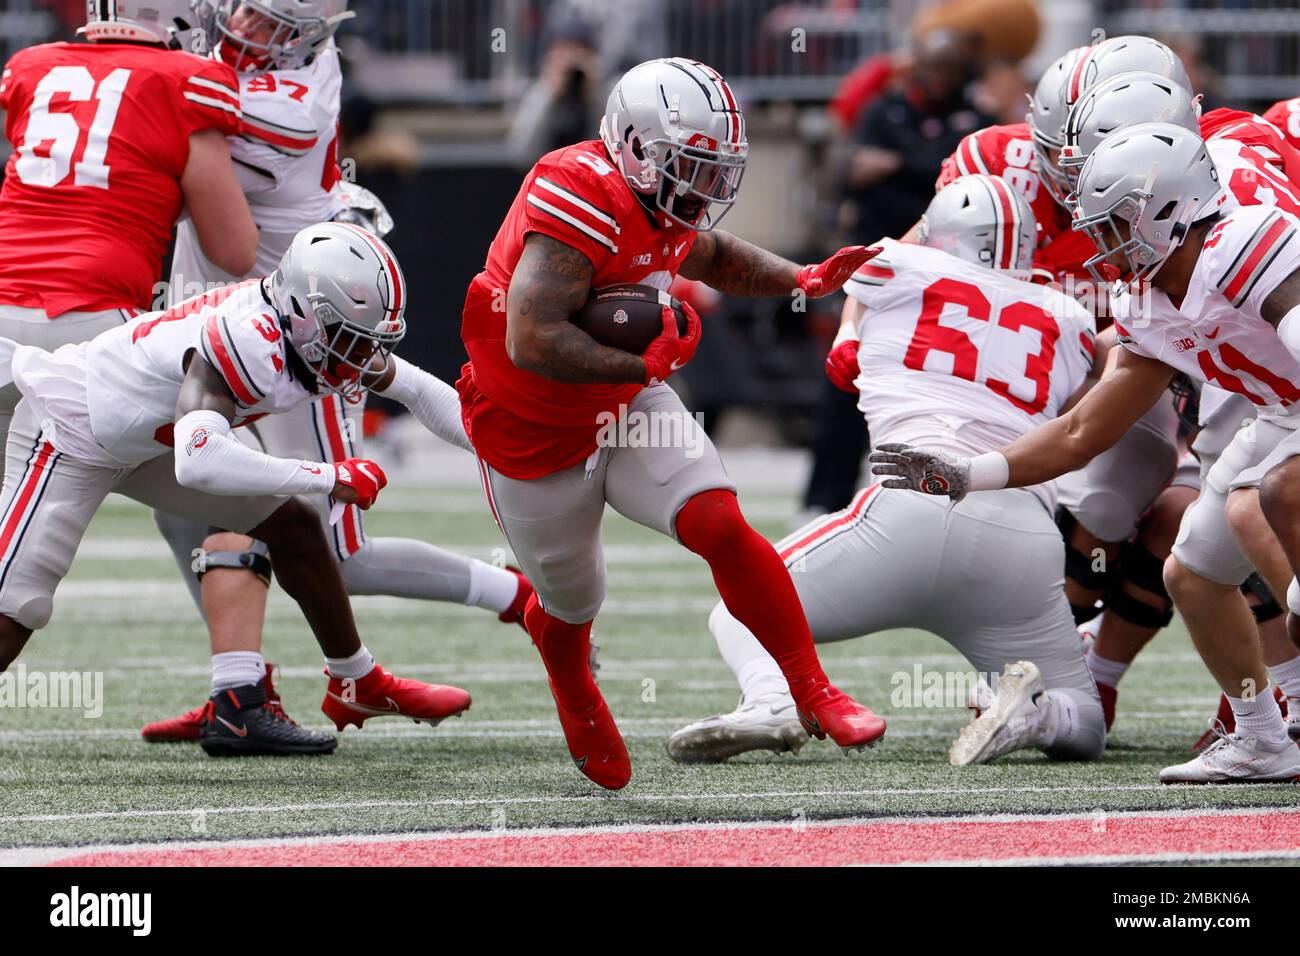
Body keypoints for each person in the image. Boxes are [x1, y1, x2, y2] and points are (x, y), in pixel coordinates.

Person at [458, 56, 886, 791]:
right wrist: (641, 365)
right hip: (530, 427)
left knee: (718, 521)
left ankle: (814, 689)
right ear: (633, 146)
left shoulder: (658, 199)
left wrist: (801, 277)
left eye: (715, 169)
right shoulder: (579, 191)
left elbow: (709, 253)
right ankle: (571, 678)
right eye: (691, 166)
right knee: (570, 602)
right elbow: (530, 338)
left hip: (624, 406)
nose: (707, 187)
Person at [142, 0, 535, 753]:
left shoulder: (298, 93)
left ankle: (514, 596)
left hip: (292, 332)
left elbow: (181, 117)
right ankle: (238, 684)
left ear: (311, 37)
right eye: (243, 15)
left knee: (338, 555)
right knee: (181, 505)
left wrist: (152, 52)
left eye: (270, 26)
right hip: (205, 308)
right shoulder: (227, 57)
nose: (246, 33)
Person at [870, 123, 1300, 783]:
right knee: (1193, 574)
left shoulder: (1239, 243)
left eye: (1114, 224)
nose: (1102, 246)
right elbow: (1083, 432)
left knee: (1268, 501)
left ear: (1166, 209)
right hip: (1281, 411)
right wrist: (967, 475)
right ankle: (1264, 740)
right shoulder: (1149, 300)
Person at [668, 175, 1105, 766]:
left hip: (909, 505)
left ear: (936, 234)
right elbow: (1095, 385)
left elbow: (857, 275)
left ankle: (772, 699)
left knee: (739, 610)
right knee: (1083, 721)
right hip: (1023, 535)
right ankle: (1038, 713)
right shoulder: (1068, 316)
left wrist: (849, 332)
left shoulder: (895, 263)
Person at [0, 222, 477, 756]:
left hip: (149, 441)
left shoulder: (309, 332)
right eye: (349, 340)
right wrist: (331, 476)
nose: (361, 358)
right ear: (302, 312)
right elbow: (199, 461)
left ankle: (356, 680)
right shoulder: (249, 340)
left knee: (293, 525)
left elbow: (417, 390)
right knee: (15, 609)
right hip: (72, 429)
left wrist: (496, 447)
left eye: (370, 342)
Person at [0, 0, 257, 457]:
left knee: (18, 502)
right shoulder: (186, 82)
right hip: (94, 326)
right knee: (250, 485)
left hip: (3, 311)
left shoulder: (32, 66)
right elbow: (234, 251)